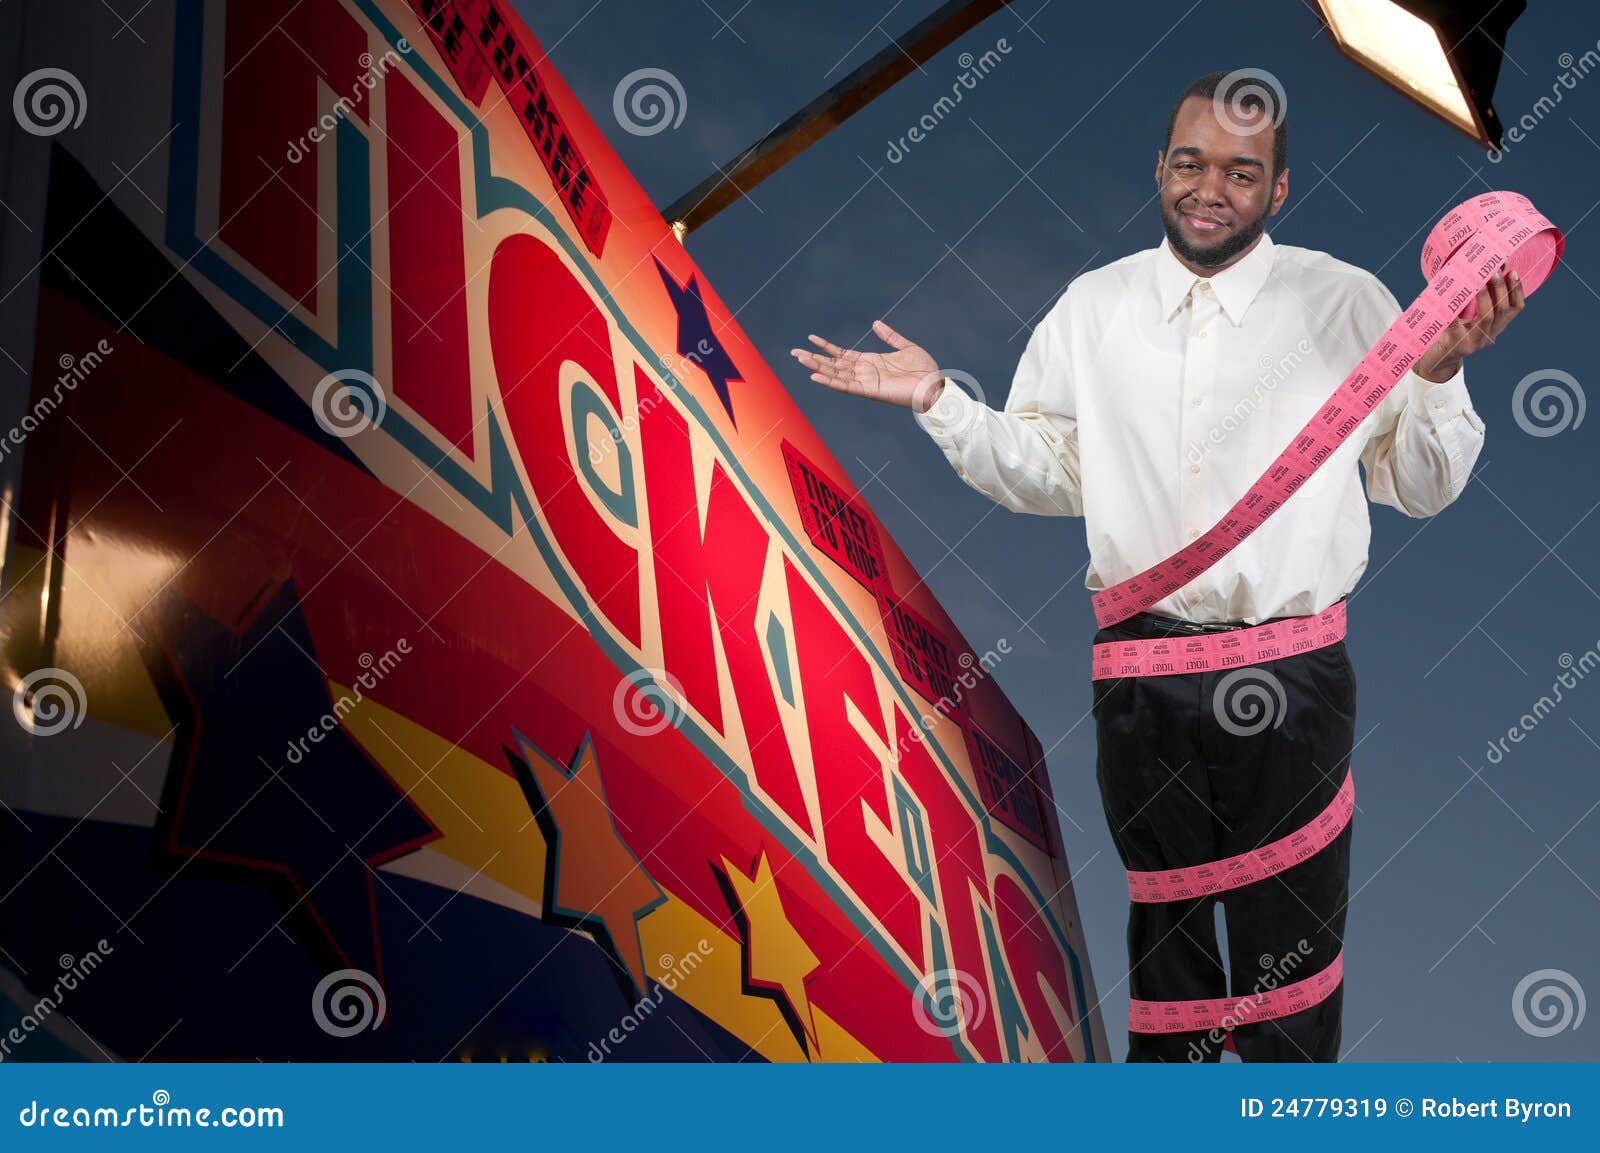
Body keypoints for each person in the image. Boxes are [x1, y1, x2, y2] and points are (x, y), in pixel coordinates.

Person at [791, 70, 1525, 1062]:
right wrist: (939, 401)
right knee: (1169, 964)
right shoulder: (1092, 310)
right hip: (1138, 680)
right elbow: (1049, 472)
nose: (1208, 187)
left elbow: (1421, 484)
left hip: (1293, 679)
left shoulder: (1347, 301)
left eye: (1239, 170)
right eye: (1190, 163)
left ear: (1277, 191)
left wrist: (1437, 370)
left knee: (1290, 972)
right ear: (1160, 171)